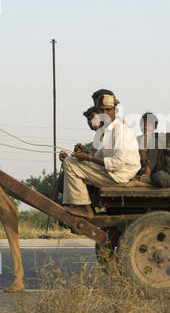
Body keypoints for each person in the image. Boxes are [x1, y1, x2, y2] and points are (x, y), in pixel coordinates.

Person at [60, 89, 140, 219]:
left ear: (115, 111)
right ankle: (81, 205)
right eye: (102, 111)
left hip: (119, 175)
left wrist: (88, 158)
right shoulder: (107, 130)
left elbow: (117, 164)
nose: (105, 114)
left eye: (108, 110)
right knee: (71, 160)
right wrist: (82, 156)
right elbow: (99, 157)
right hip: (113, 172)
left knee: (69, 163)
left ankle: (84, 208)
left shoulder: (120, 130)